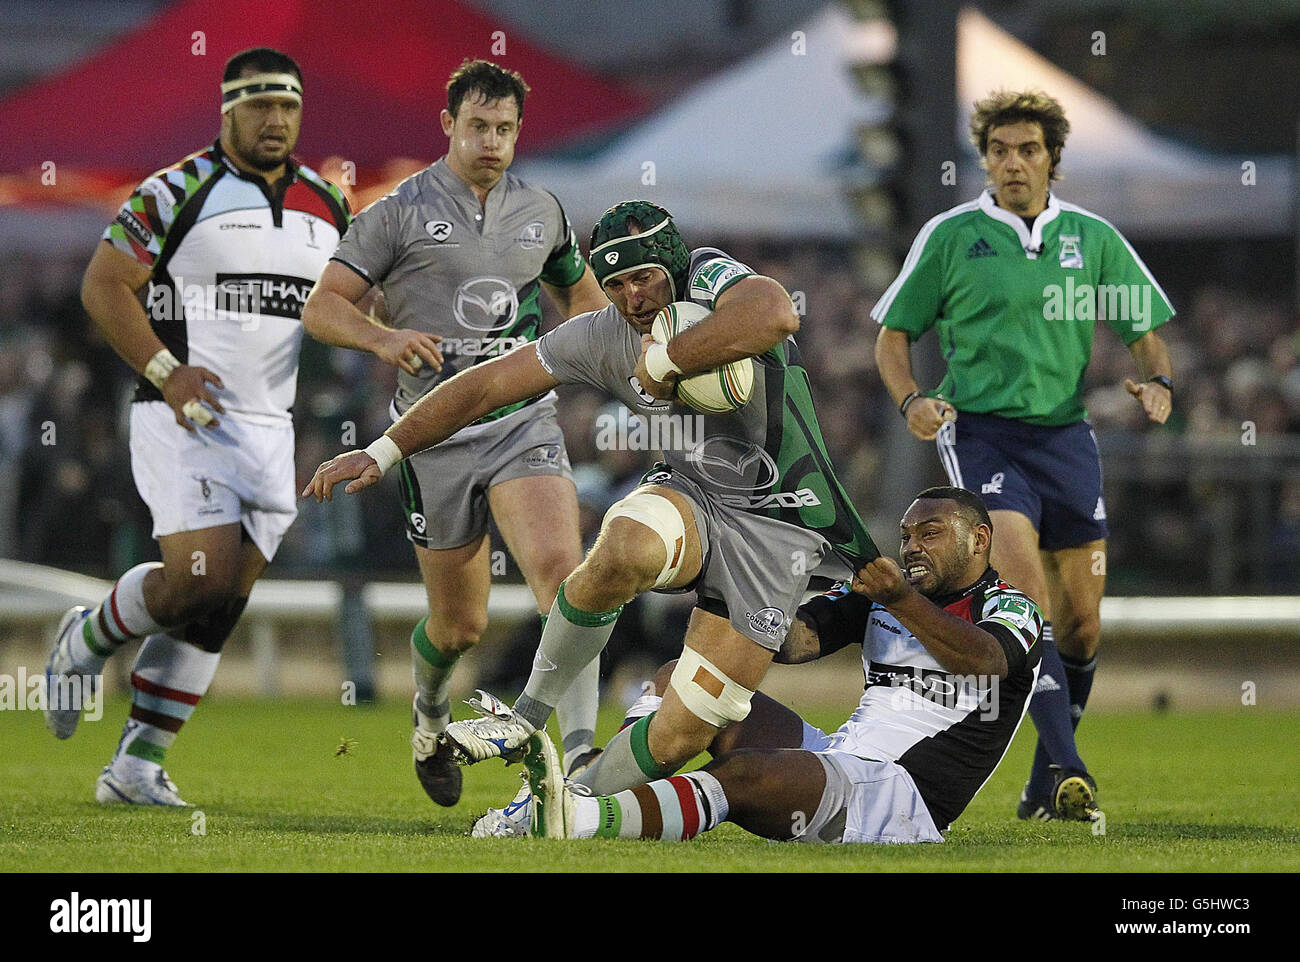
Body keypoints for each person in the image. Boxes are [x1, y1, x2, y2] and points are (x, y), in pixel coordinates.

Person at [304, 200, 881, 802]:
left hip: (778, 523)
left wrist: (666, 359)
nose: (632, 297)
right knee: (625, 543)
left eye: (644, 277)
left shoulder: (711, 278)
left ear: (673, 266)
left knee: (683, 733)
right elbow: (484, 385)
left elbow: (775, 313)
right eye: (614, 285)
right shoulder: (600, 333)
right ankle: (525, 718)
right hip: (693, 495)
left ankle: (566, 804)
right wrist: (383, 451)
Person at [45, 48, 351, 805]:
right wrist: (164, 372)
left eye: (287, 106)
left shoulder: (329, 202)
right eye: (259, 106)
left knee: (221, 602)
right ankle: (86, 637)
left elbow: (347, 306)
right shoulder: (174, 189)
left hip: (271, 428)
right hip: (184, 413)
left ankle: (134, 769)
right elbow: (103, 284)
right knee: (195, 577)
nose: (275, 121)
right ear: (228, 109)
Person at [300, 59, 609, 806]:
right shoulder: (396, 211)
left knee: (565, 577)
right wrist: (381, 339)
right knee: (459, 624)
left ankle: (580, 762)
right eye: (478, 126)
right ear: (448, 125)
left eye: (505, 128)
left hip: (521, 423)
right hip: (428, 435)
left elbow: (583, 297)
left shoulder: (544, 211)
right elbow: (323, 306)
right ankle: (430, 718)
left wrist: (615, 358)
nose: (492, 141)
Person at [872, 90, 1175, 820]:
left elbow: (1145, 326)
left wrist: (1157, 379)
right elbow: (892, 335)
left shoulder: (1093, 238)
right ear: (985, 158)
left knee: (1082, 626)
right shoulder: (951, 235)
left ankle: (1043, 786)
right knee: (1028, 598)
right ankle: (1072, 768)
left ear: (1053, 161)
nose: (1013, 162)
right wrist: (912, 399)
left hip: (1067, 440)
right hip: (981, 433)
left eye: (1028, 150)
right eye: (1000, 150)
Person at [509, 487, 1041, 843]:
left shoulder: (1012, 609)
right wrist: (738, 581)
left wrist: (900, 598)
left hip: (899, 799)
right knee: (685, 679)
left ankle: (577, 822)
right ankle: (595, 788)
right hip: (838, 755)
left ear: (979, 539)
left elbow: (986, 661)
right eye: (905, 535)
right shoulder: (880, 596)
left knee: (745, 776)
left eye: (930, 533)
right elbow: (793, 641)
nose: (911, 546)